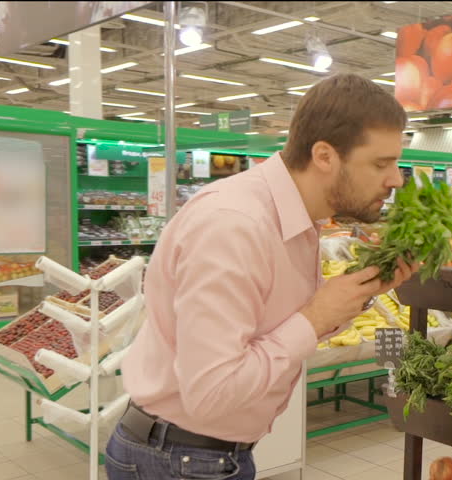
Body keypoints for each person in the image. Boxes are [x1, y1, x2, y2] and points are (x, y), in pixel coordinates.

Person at [105, 73, 417, 480]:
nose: (396, 179)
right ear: (324, 156)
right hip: (176, 461)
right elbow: (210, 394)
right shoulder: (234, 225)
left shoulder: (298, 219)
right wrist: (314, 318)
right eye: (380, 163)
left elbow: (269, 325)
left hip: (198, 455)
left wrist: (363, 290)